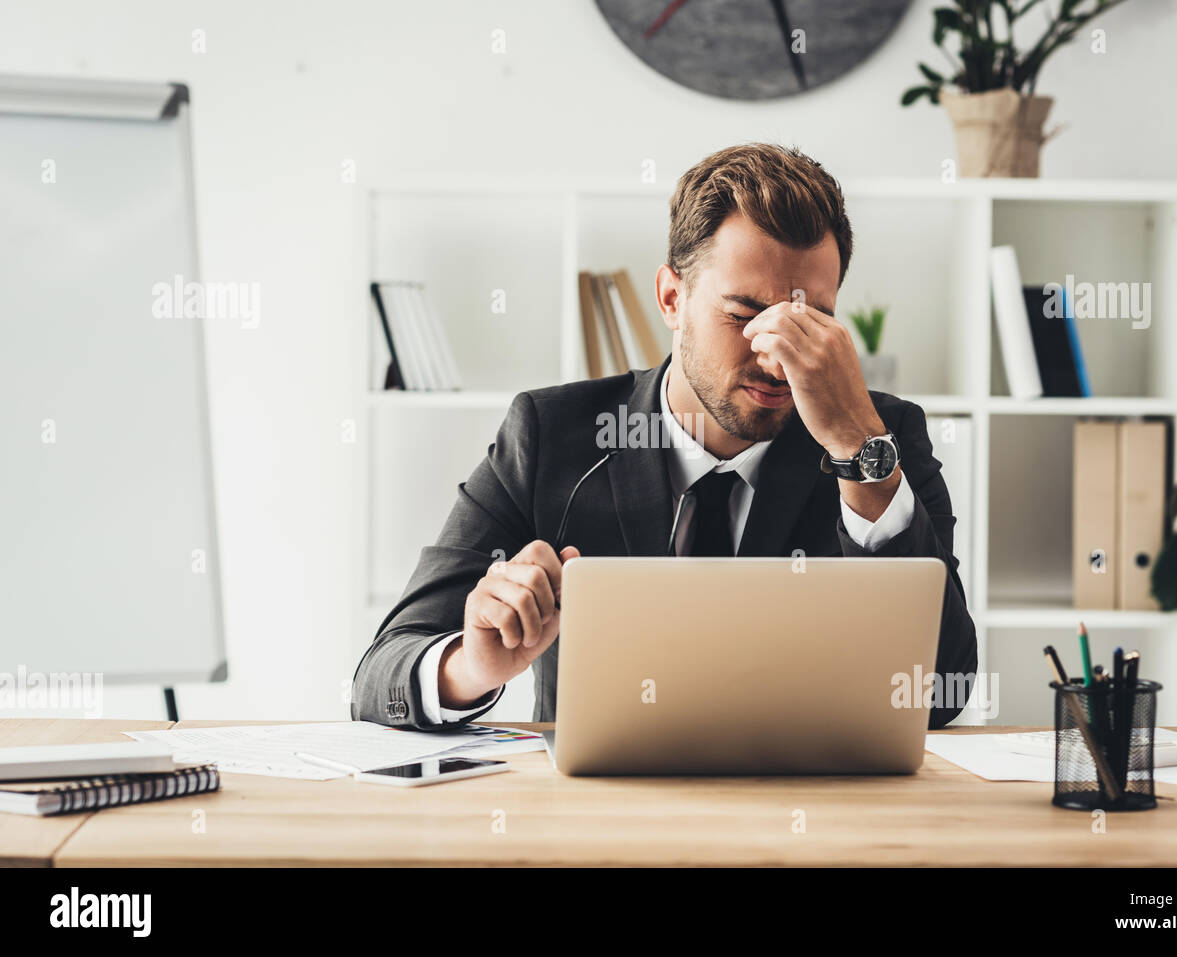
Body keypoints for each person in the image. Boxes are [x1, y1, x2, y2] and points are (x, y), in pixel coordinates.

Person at [352, 142, 978, 730]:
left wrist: (857, 450)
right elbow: (378, 677)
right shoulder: (552, 435)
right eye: (744, 316)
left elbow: (942, 691)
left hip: (803, 823)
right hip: (601, 829)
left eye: (808, 324)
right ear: (672, 298)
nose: (775, 357)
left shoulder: (881, 439)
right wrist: (471, 667)